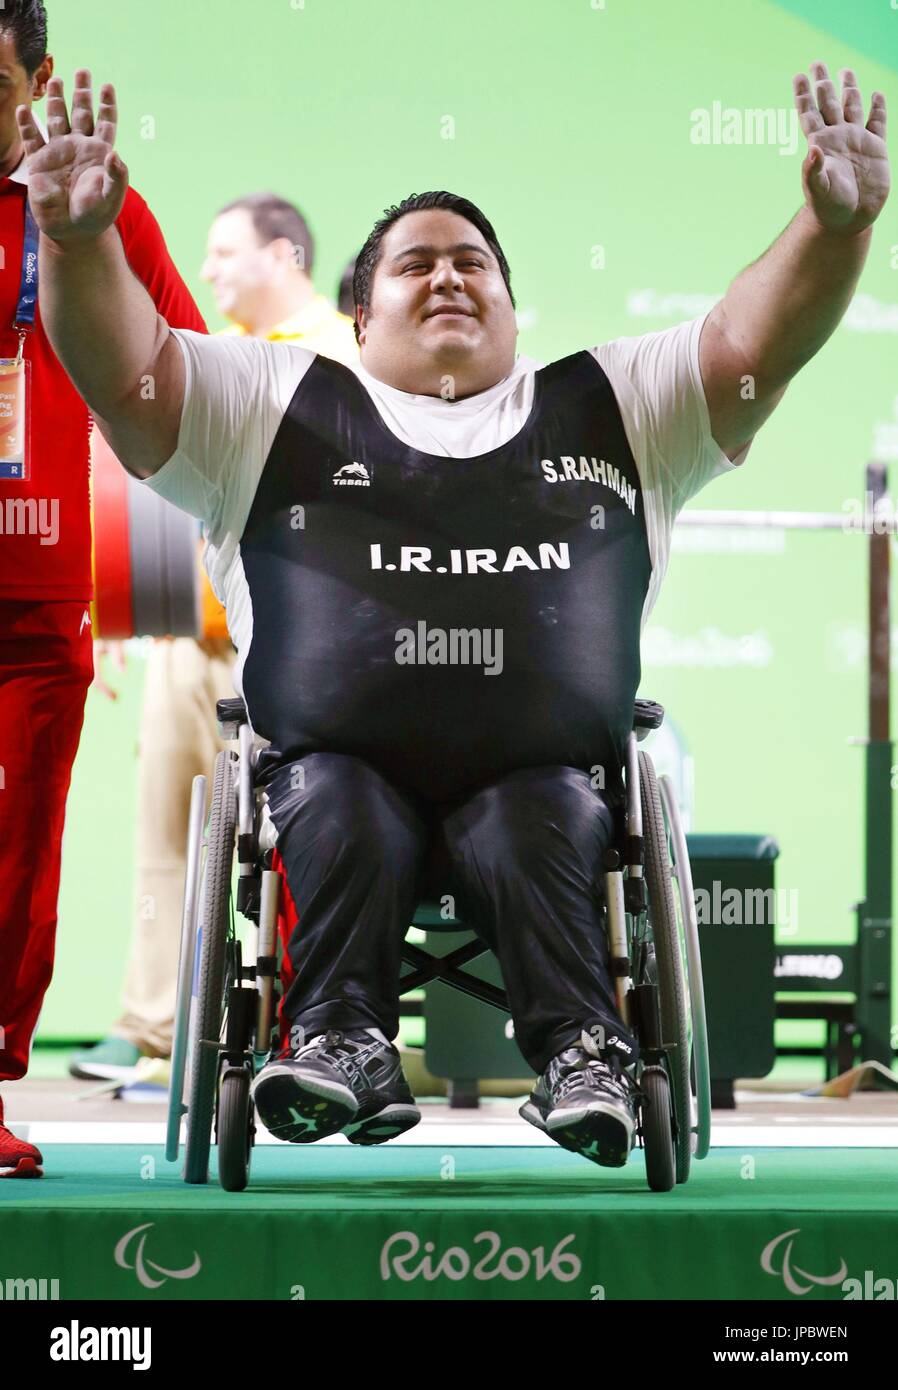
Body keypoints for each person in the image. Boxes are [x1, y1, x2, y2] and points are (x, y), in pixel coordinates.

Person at [20, 63, 889, 1167]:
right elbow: (125, 369)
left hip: (542, 782)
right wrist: (83, 242)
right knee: (338, 793)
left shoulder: (616, 402)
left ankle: (585, 1049)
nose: (447, 277)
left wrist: (830, 225)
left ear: (515, 309)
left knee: (536, 811)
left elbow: (753, 347)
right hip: (332, 771)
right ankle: (337, 1036)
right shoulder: (268, 404)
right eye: (414, 263)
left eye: (472, 261)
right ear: (359, 310)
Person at [70, 194, 357, 1080]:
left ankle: (307, 1026)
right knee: (172, 831)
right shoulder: (209, 360)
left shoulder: (342, 351)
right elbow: (145, 489)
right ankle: (151, 1028)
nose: (209, 271)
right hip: (187, 635)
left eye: (225, 251)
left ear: (285, 256)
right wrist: (107, 601)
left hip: (288, 641)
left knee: (298, 829)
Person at [0, 8, 206, 1176]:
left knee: (13, 873)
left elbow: (192, 374)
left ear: (41, 78)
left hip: (37, 609)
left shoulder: (101, 212)